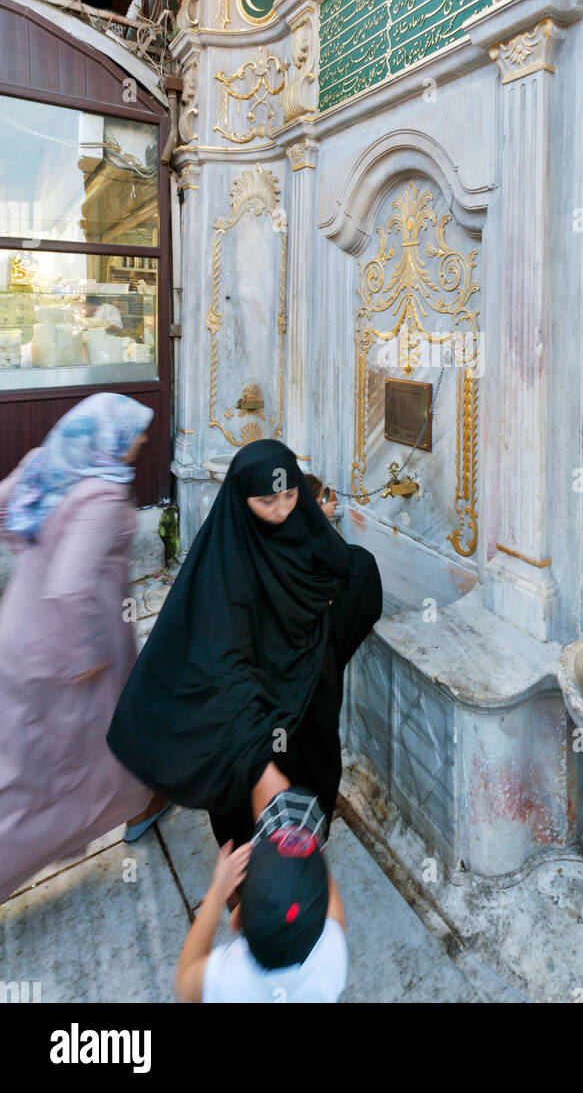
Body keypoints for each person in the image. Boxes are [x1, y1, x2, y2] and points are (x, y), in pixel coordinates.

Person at [107, 440, 382, 852]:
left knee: (309, 786)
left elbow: (354, 569)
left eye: (291, 495)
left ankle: (300, 861)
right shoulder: (224, 562)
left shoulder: (304, 525)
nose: (283, 510)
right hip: (255, 710)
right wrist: (255, 759)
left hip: (308, 701)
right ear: (241, 499)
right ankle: (243, 889)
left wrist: (321, 616)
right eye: (267, 501)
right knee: (249, 830)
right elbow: (219, 659)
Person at [0, 392, 163, 903]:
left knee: (30, 763)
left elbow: (7, 511)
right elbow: (71, 588)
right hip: (68, 652)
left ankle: (142, 803)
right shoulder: (100, 496)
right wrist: (89, 656)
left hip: (24, 634)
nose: (142, 440)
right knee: (61, 772)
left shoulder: (49, 462)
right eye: (135, 431)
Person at [175, 785, 347, 1004]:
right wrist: (309, 861)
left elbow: (185, 981)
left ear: (236, 920)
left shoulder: (225, 978)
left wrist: (217, 893)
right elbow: (336, 917)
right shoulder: (331, 954)